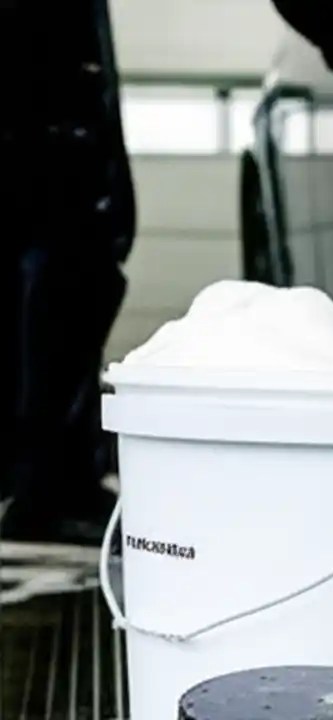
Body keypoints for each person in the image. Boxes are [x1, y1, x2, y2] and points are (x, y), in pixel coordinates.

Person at [0, 0, 136, 544]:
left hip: (60, 138)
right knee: (56, 300)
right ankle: (45, 492)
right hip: (47, 141)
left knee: (68, 298)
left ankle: (60, 482)